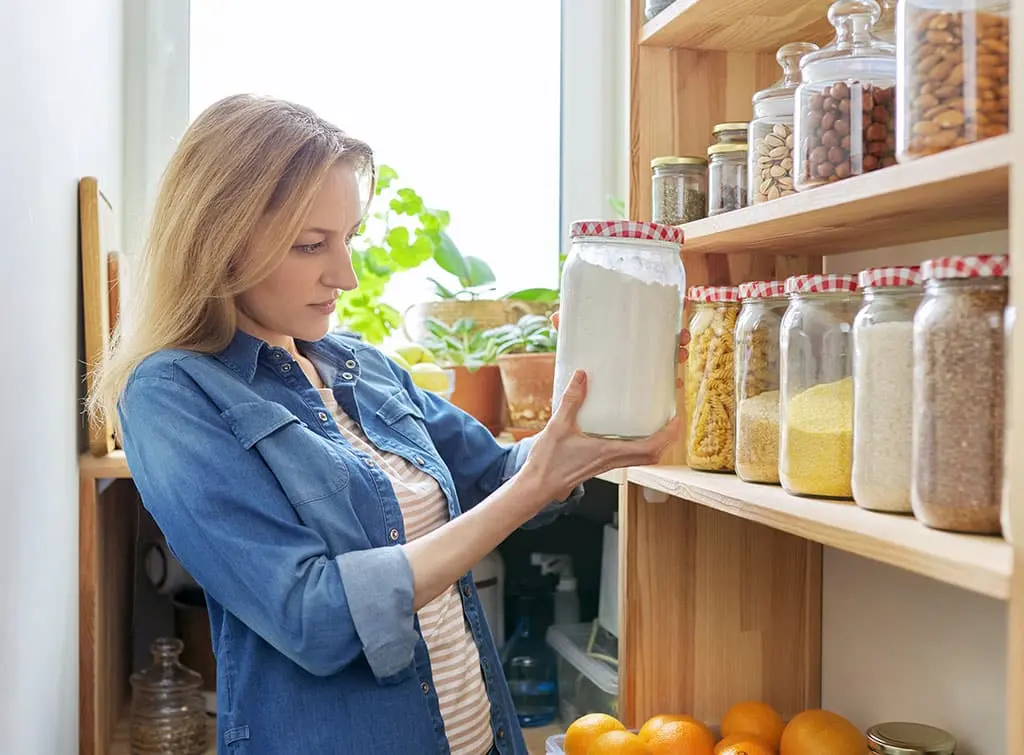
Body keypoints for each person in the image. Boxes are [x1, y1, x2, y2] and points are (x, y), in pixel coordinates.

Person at [89, 94, 687, 755]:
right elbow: (312, 614)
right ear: (219, 241)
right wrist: (532, 484)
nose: (343, 274)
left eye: (348, 239)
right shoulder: (173, 393)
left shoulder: (361, 366)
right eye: (311, 244)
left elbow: (498, 475)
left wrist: (605, 387)